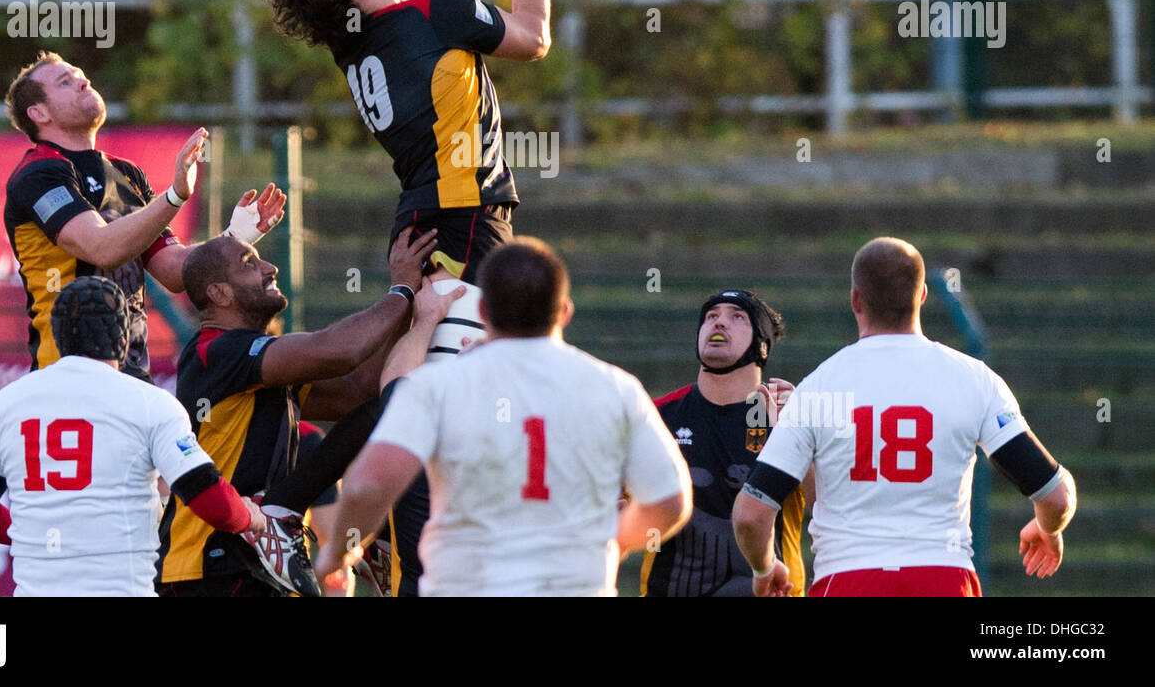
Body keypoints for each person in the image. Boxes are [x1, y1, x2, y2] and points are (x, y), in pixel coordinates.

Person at [314, 238, 693, 596]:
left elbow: (369, 485)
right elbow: (672, 500)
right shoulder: (616, 388)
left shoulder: (437, 386)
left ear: (482, 311)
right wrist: (617, 538)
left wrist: (339, 552)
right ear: (565, 311)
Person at [265, 0, 549, 287]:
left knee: (429, 352)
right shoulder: (437, 14)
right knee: (476, 353)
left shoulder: (352, 39)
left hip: (420, 222)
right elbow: (535, 36)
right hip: (466, 218)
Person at [733, 237, 1078, 597]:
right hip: (943, 578)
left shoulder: (820, 387)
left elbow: (751, 515)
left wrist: (763, 567)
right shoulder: (973, 380)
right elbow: (1055, 497)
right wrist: (1048, 528)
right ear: (923, 295)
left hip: (848, 579)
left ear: (855, 300)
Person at [154, 227, 435, 597]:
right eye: (249, 262)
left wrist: (415, 309)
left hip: (258, 559)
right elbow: (340, 350)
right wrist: (400, 290)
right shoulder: (216, 350)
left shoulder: (255, 364)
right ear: (218, 293)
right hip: (208, 567)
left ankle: (365, 536)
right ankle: (285, 511)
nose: (270, 267)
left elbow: (358, 388)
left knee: (394, 402)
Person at [0, 276, 267, 596]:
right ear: (124, 336)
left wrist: (35, 536)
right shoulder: (151, 404)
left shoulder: (8, 403)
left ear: (57, 336)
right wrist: (250, 517)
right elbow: (211, 501)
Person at [3, 52, 286, 381]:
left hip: (131, 372)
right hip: (67, 374)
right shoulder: (38, 172)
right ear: (38, 113)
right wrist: (175, 196)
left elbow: (174, 270)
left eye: (81, 76)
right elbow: (101, 248)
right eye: (65, 82)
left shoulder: (126, 173)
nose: (83, 82)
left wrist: (235, 237)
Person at [643, 289, 808, 597]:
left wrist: (803, 431)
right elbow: (616, 500)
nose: (719, 323)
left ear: (761, 346)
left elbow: (826, 504)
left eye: (737, 317)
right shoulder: (654, 415)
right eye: (711, 316)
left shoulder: (788, 416)